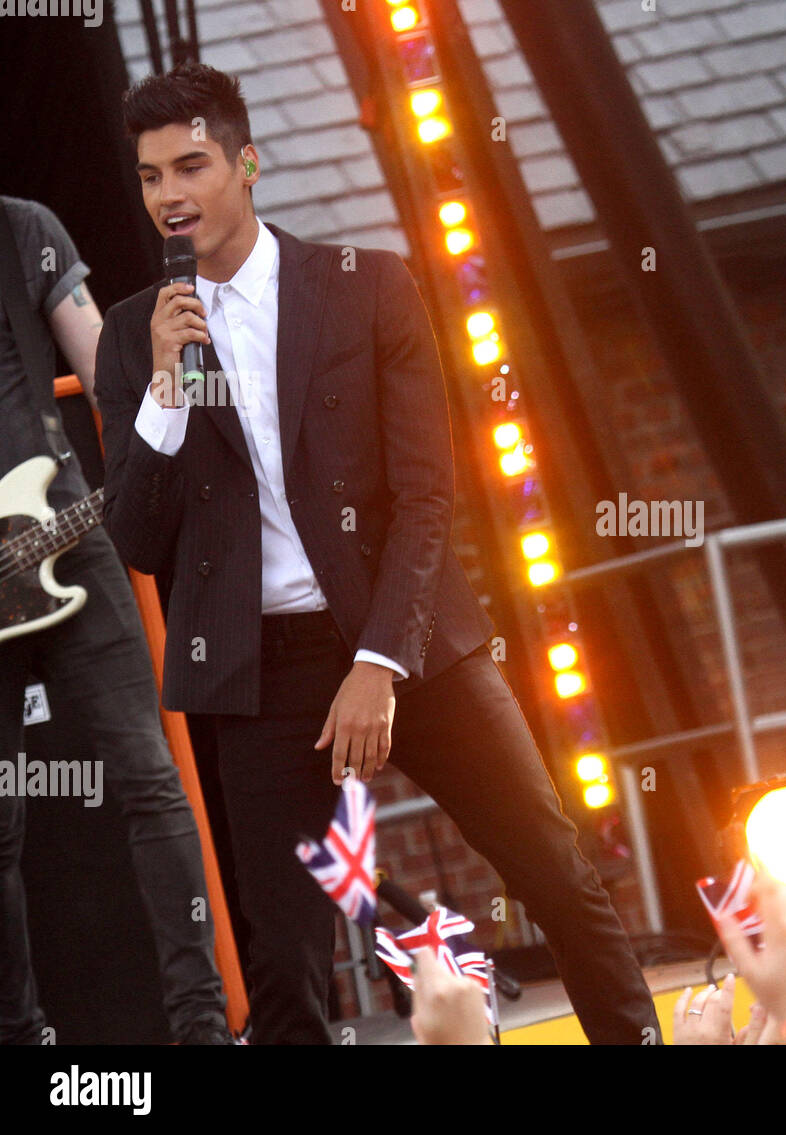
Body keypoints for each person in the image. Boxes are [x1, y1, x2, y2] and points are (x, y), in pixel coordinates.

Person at [94, 61, 660, 1044]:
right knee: (284, 969)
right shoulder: (133, 338)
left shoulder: (365, 287)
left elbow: (428, 496)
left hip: (408, 639)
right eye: (151, 178)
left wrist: (376, 662)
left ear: (248, 163)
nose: (170, 196)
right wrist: (163, 396)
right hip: (256, 670)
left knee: (557, 877)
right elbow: (137, 540)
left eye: (190, 167)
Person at [0, 195, 230, 1044]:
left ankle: (201, 1023)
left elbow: (106, 370)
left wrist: (169, 384)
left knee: (148, 774)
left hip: (65, 534)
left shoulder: (25, 231)